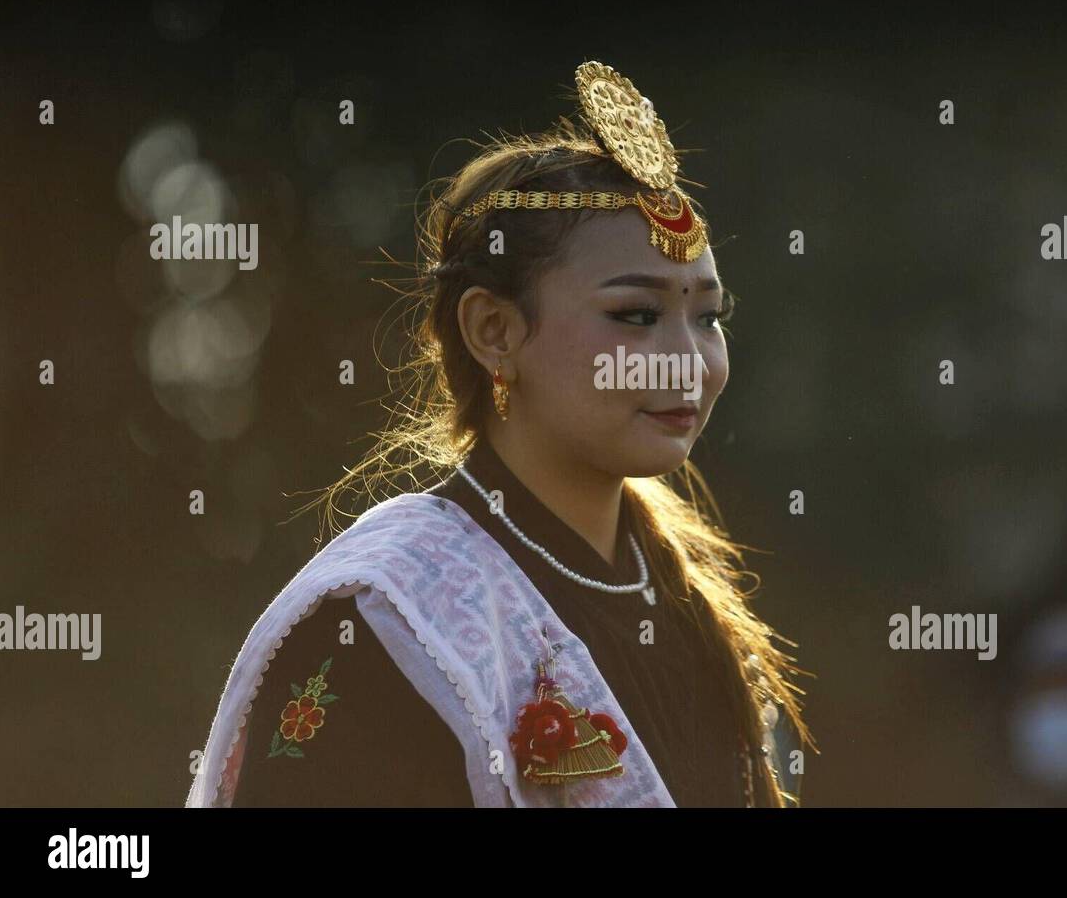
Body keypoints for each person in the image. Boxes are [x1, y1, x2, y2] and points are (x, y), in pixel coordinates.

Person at [188, 61, 813, 808]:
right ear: (494, 330)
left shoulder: (688, 608)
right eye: (636, 316)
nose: (688, 360)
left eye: (708, 318)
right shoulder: (385, 619)